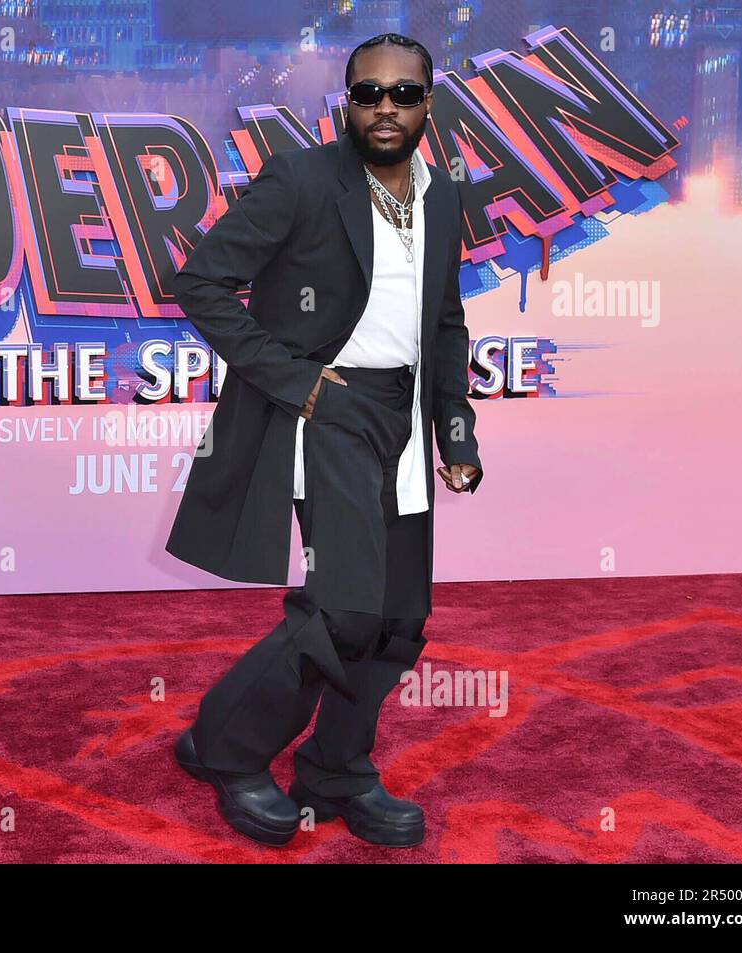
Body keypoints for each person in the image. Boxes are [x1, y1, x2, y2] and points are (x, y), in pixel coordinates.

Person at [165, 33, 484, 848]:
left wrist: (456, 426)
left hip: (405, 416)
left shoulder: (444, 196)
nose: (385, 108)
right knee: (343, 609)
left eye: (403, 94)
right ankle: (226, 747)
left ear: (427, 104)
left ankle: (338, 768)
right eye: (368, 92)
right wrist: (294, 379)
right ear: (347, 101)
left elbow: (444, 322)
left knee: (400, 616)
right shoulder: (302, 180)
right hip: (329, 407)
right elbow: (200, 280)